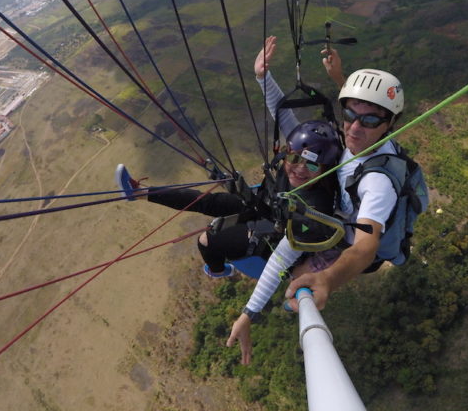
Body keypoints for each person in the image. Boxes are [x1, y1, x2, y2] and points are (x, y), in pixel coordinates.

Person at [225, 38, 405, 362]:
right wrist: (264, 79)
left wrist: (327, 279)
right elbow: (295, 132)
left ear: (390, 124)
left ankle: (295, 292)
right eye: (349, 114)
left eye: (369, 121)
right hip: (336, 206)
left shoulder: (377, 183)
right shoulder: (361, 141)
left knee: (296, 272)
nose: (354, 128)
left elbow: (365, 248)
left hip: (344, 239)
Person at [115, 37, 343, 278]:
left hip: (275, 239)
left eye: (312, 166)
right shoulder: (306, 147)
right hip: (266, 204)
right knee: (208, 202)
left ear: (326, 168)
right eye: (295, 159)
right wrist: (263, 77)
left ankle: (219, 271)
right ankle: (140, 193)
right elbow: (284, 115)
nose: (299, 169)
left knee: (206, 240)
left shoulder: (318, 207)